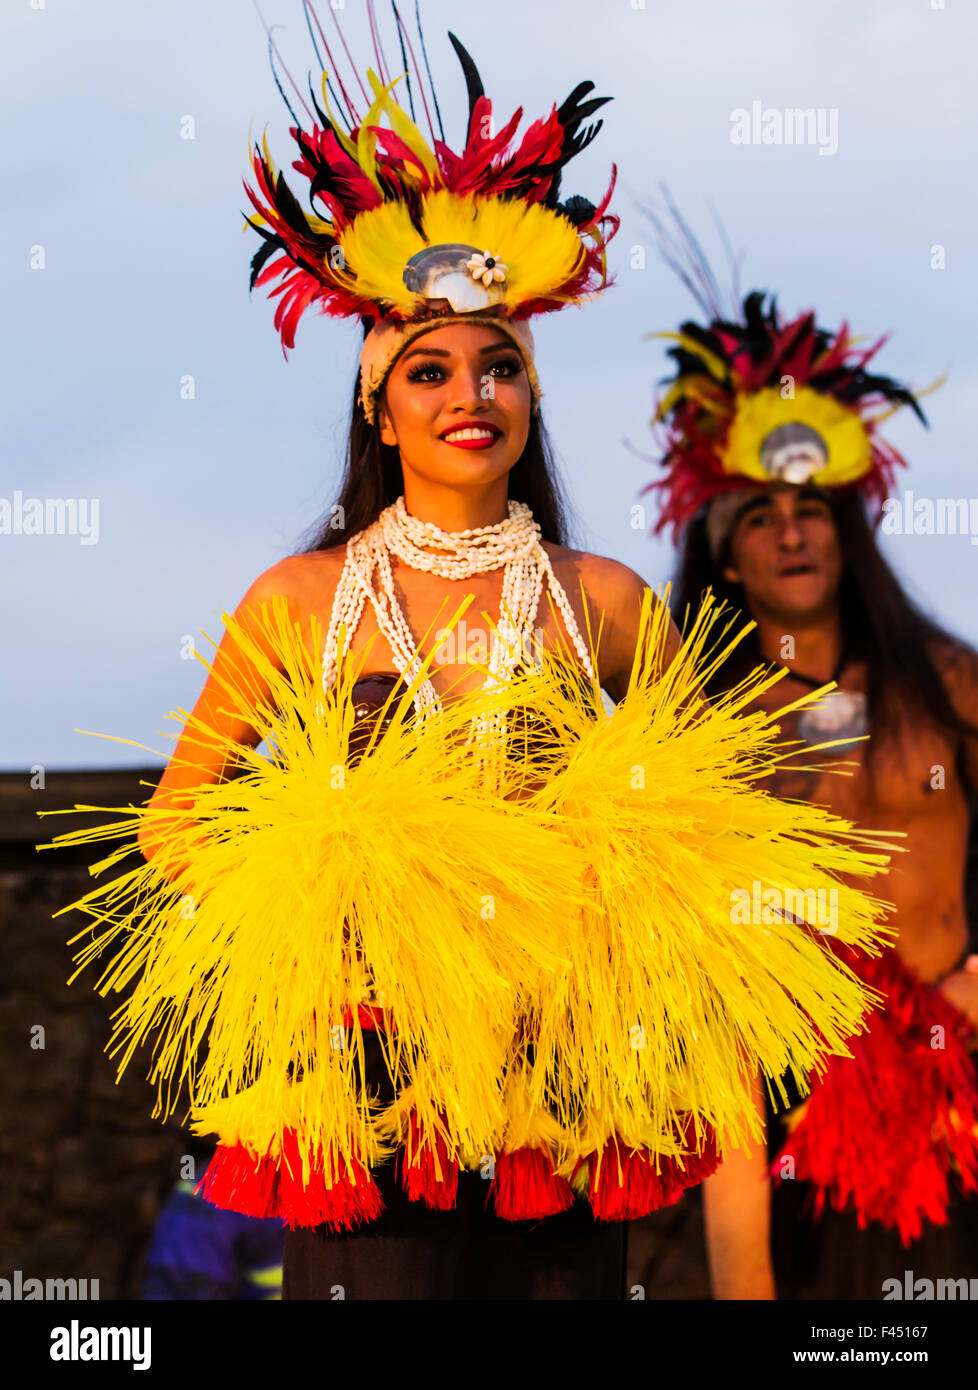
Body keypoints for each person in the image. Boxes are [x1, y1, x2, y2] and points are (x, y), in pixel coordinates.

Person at [44, 6, 898, 1301]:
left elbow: (717, 825)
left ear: (530, 397)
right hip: (372, 1067)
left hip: (567, 1075)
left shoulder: (602, 597)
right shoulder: (298, 597)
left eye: (497, 367)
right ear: (378, 406)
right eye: (430, 370)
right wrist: (318, 893)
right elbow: (176, 822)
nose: (468, 395)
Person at [645, 278, 978, 1299]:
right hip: (779, 1102)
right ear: (726, 556)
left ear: (846, 531)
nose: (792, 533)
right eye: (761, 517)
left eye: (812, 510)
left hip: (950, 1082)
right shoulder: (701, 723)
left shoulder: (948, 682)